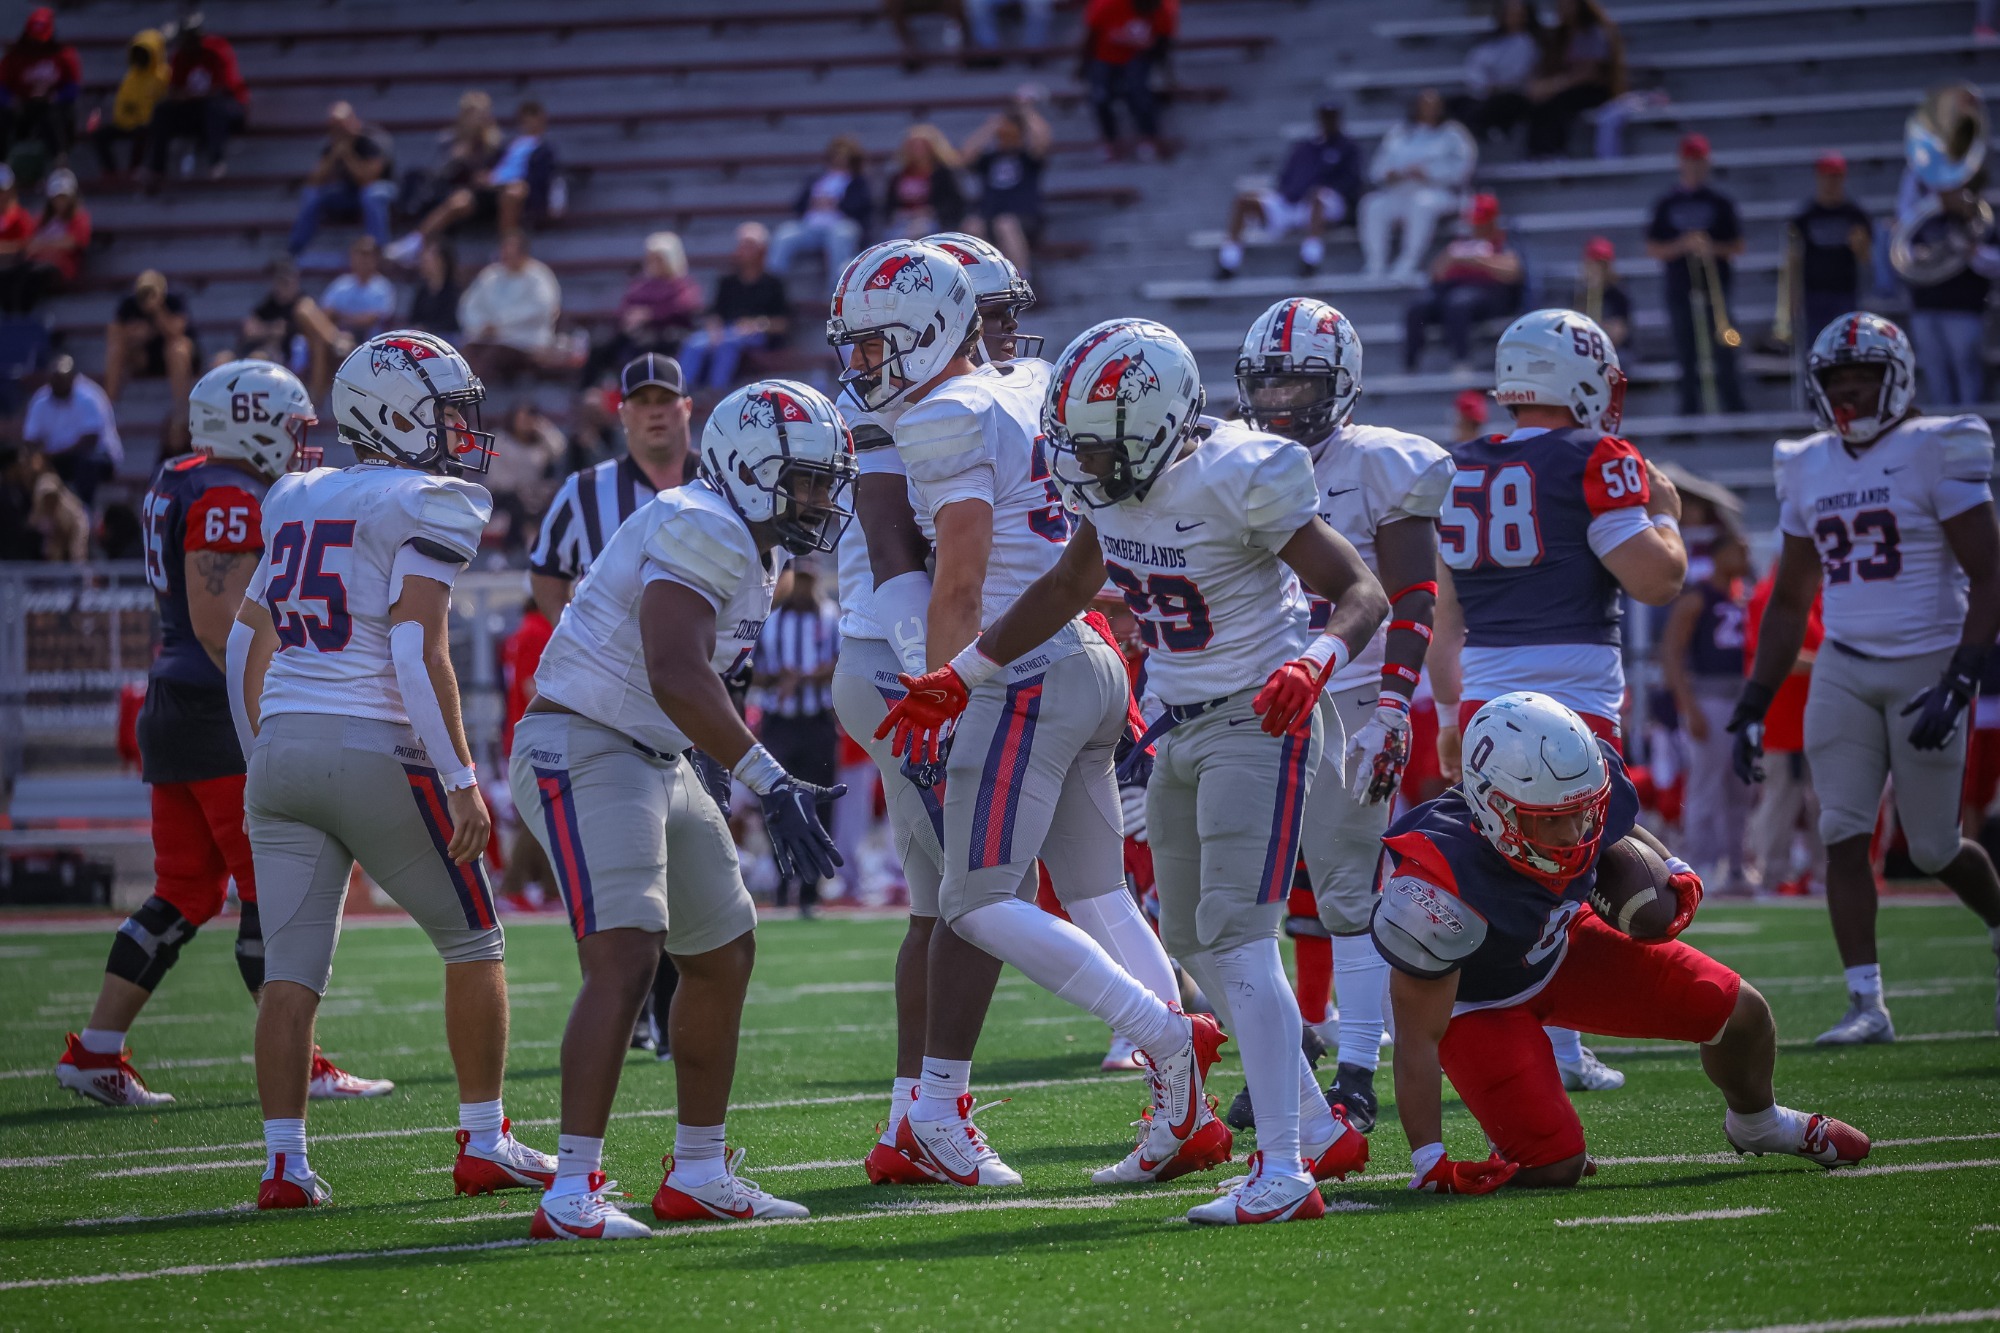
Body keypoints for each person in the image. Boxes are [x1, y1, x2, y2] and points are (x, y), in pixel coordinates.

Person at [881, 316, 1383, 1221]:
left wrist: (1316, 660)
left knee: (1237, 937)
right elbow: (1067, 588)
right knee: (1189, 939)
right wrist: (959, 677)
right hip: (1183, 726)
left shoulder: (1240, 470)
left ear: (1160, 422)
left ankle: (1283, 1168)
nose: (1085, 465)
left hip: (1258, 718)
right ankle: (1315, 1125)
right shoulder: (1113, 481)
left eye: (1101, 446)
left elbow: (1361, 591)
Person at [829, 241, 1224, 1195]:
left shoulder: (944, 414)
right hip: (1081, 649)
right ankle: (1188, 1111)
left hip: (1014, 672)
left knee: (971, 902)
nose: (865, 366)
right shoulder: (1035, 382)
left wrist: (945, 686)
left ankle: (1168, 1041)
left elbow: (955, 580)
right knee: (1098, 891)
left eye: (879, 344)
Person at [510, 378, 854, 1239]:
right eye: (805, 478)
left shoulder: (744, 535)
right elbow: (673, 666)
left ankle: (699, 1169)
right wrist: (769, 776)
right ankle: (572, 1191)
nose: (818, 497)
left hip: (648, 752)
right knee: (627, 955)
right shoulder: (700, 520)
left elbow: (689, 676)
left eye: (823, 480)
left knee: (723, 946)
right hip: (582, 742)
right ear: (749, 465)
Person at [228, 330, 557, 1209]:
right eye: (446, 411)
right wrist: (457, 774)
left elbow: (241, 641)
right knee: (475, 939)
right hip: (373, 738)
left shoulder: (294, 493)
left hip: (284, 747)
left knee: (292, 971)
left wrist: (261, 750)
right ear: (396, 412)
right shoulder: (426, 498)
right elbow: (415, 646)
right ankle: (487, 1140)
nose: (459, 430)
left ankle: (284, 1165)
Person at [54, 361, 389, 1110]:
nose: (301, 442)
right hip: (213, 708)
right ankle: (301, 1062)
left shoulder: (183, 475)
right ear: (250, 420)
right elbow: (220, 625)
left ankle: (97, 1049)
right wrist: (267, 714)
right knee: (273, 887)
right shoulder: (228, 495)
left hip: (174, 703)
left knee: (184, 891)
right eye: (291, 425)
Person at [1379, 692, 1869, 1195]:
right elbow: (1418, 1038)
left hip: (1560, 946)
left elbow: (1616, 821)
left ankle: (1760, 1123)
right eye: (1550, 819)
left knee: (1738, 1013)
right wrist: (1429, 1160)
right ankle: (1515, 1128)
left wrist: (1670, 864)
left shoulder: (1582, 786)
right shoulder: (1437, 883)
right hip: (1474, 1002)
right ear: (1495, 807)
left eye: (1579, 812)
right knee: (1555, 1165)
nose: (1573, 833)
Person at [828, 234, 1059, 1182]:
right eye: (988, 313)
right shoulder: (895, 404)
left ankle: (908, 1122)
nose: (1000, 333)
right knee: (983, 897)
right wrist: (945, 681)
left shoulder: (975, 394)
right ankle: (936, 1116)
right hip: (900, 661)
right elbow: (901, 563)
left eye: (1003, 314)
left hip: (923, 660)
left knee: (938, 907)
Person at [1429, 308, 1690, 1094]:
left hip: (1481, 694)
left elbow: (1446, 620)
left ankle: (1521, 1034)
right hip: (1572, 694)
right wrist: (1668, 513)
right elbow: (1656, 577)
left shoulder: (1456, 465)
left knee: (1516, 870)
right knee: (1573, 867)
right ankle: (1566, 1043)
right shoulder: (1597, 455)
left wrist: (1448, 715)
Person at [1728, 312, 2000, 1045]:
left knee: (1935, 845)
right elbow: (1788, 598)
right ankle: (1866, 1002)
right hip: (1844, 663)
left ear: (1898, 378)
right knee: (1841, 830)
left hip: (1928, 658)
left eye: (1863, 377)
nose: (1848, 392)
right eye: (1837, 380)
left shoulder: (1936, 446)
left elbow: (1989, 570)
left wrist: (1963, 673)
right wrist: (1755, 698)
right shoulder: (1808, 461)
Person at [1232, 298, 1453, 1136]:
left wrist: (1395, 705)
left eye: (1300, 380)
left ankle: (1357, 1067)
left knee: (1349, 894)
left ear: (1343, 383)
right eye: (1270, 381)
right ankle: (1282, 1061)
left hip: (1355, 694)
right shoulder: (1236, 456)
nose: (1283, 398)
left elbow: (1412, 596)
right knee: (1250, 901)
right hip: (1257, 699)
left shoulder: (1382, 462)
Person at [529, 352, 697, 1056]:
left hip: (697, 700)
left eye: (667, 398)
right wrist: (586, 644)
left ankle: (666, 1010)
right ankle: (636, 1005)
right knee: (625, 866)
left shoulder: (720, 480)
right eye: (642, 399)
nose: (655, 409)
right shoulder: (587, 490)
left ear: (688, 408)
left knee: (691, 866)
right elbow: (546, 574)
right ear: (622, 412)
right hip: (607, 708)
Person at [1661, 526, 1752, 892]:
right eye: (1739, 550)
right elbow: (1671, 653)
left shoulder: (1744, 597)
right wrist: (1689, 706)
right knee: (1706, 786)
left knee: (1740, 789)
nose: (1745, 559)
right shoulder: (1697, 598)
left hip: (1741, 699)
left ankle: (1736, 869)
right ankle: (1699, 866)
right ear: (1719, 554)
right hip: (1710, 698)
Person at [753, 559, 843, 916]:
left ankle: (810, 888)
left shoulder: (830, 616)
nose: (803, 589)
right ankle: (780, 881)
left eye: (809, 581)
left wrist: (804, 678)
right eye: (798, 581)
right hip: (779, 723)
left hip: (817, 722)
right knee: (775, 801)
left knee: (819, 804)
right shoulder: (770, 622)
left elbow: (843, 664)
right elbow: (750, 674)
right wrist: (779, 677)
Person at [1647, 134, 1746, 416]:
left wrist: (1711, 248)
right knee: (1685, 350)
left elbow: (1738, 246)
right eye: (1690, 160)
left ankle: (1734, 406)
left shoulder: (1720, 202)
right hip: (1680, 286)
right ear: (1681, 162)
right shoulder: (1666, 203)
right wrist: (1683, 245)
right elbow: (1653, 247)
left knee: (1726, 345)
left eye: (1699, 160)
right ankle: (1688, 409)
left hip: (1716, 286)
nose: (1694, 166)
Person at [1743, 556, 1825, 895]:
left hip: (1819, 718)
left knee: (1824, 802)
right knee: (1780, 800)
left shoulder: (1819, 597)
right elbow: (1773, 655)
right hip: (1781, 720)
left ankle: (1824, 876)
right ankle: (1770, 875)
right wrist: (1835, 663)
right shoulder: (1766, 596)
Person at [1216, 98, 1365, 280]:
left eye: (1332, 116)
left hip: (1329, 203)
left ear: (1339, 118)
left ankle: (1310, 260)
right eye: (1325, 116)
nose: (1328, 120)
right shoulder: (1304, 147)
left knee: (1318, 196)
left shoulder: (1348, 147)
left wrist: (1324, 192)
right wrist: (1289, 196)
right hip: (1294, 203)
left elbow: (1352, 182)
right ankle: (1228, 262)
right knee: (1244, 201)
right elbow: (1285, 178)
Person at [387, 101, 556, 261]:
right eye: (525, 117)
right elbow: (490, 167)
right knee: (460, 200)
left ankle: (505, 249)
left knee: (514, 191)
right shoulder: (511, 144)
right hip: (491, 188)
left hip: (515, 191)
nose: (528, 122)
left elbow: (538, 180)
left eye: (533, 117)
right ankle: (416, 241)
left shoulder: (544, 149)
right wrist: (484, 175)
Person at [1358, 89, 1477, 284]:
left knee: (1422, 204)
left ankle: (1407, 263)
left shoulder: (1453, 134)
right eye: (1424, 105)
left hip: (1438, 192)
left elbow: (1464, 168)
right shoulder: (1399, 133)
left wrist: (1429, 172)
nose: (1428, 110)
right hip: (1398, 191)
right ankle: (1376, 263)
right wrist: (1389, 174)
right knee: (1372, 205)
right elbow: (1377, 169)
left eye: (1432, 106)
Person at [1402, 193, 1524, 375]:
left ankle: (1461, 362)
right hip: (1451, 289)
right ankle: (1411, 365)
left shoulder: (1503, 241)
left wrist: (1482, 262)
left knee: (1458, 304)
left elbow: (1513, 273)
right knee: (1417, 306)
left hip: (1489, 293)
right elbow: (1436, 275)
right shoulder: (1461, 241)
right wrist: (1450, 258)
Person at [678, 222, 789, 392]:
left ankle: (717, 394)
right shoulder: (727, 282)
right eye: (742, 245)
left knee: (727, 346)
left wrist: (758, 324)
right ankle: (682, 392)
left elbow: (783, 322)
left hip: (756, 335)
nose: (743, 251)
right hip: (726, 331)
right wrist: (714, 328)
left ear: (762, 250)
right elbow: (715, 313)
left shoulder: (774, 283)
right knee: (694, 342)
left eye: (749, 246)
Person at [287, 101, 396, 256]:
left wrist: (347, 155)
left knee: (370, 195)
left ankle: (379, 248)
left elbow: (368, 180)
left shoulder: (371, 138)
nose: (337, 130)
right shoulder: (333, 142)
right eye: (333, 126)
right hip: (350, 193)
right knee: (311, 194)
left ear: (351, 120)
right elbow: (315, 180)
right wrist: (333, 156)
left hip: (383, 188)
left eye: (340, 125)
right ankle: (294, 250)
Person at [146, 16, 248, 182]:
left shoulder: (216, 52)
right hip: (196, 109)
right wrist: (186, 96)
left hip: (226, 108)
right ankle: (157, 168)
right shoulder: (180, 57)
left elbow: (220, 90)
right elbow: (174, 90)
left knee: (213, 108)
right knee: (162, 110)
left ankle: (216, 162)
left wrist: (189, 96)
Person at [962, 96, 1052, 281]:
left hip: (1024, 217)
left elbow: (1042, 140)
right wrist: (990, 127)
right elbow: (966, 155)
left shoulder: (1027, 158)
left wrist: (1026, 112)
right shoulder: (990, 159)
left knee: (1006, 224)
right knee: (971, 226)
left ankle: (1021, 278)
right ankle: (980, 280)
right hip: (990, 214)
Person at [1789, 154, 1873, 351]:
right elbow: (1793, 259)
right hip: (1814, 294)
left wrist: (1860, 244)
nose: (1831, 182)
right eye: (1827, 176)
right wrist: (1792, 297)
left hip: (1845, 292)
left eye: (1836, 176)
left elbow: (1866, 258)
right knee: (1815, 348)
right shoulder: (1805, 215)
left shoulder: (1855, 214)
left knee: (1846, 348)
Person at [457, 232, 562, 384]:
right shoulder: (491, 276)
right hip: (486, 336)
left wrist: (500, 324)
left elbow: (542, 309)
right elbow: (469, 306)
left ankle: (471, 398)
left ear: (523, 254)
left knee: (491, 356)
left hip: (523, 341)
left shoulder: (539, 277)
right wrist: (481, 325)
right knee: (465, 354)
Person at [1525, 0, 1625, 160]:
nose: (1563, 9)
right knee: (1539, 104)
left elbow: (1589, 73)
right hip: (1566, 88)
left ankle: (1554, 152)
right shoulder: (1560, 37)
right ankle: (1536, 153)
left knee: (1557, 103)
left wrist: (1555, 86)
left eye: (1568, 4)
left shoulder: (1595, 32)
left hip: (1594, 90)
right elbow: (1550, 67)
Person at [1079, 0, 1177, 160]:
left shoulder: (1162, 8)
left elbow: (1163, 43)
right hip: (1104, 56)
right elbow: (1091, 34)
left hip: (1137, 56)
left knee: (1137, 91)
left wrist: (1168, 76)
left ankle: (1149, 138)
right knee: (1100, 97)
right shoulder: (1107, 4)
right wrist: (1083, 65)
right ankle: (1110, 141)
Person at [768, 136, 872, 281]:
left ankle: (836, 292)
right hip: (811, 227)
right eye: (837, 154)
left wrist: (835, 204)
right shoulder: (817, 178)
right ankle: (771, 285)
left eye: (844, 155)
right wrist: (813, 202)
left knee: (840, 236)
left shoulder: (857, 181)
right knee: (784, 234)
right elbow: (798, 205)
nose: (839, 158)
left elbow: (861, 207)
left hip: (840, 225)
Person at [22, 354, 118, 507]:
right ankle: (31, 518)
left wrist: (52, 455)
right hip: (56, 458)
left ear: (73, 377)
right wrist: (37, 456)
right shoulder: (40, 400)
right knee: (26, 466)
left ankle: (85, 509)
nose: (58, 382)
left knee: (86, 462)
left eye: (62, 377)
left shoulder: (89, 397)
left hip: (98, 456)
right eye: (55, 377)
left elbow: (89, 441)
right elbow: (30, 439)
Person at [239, 258, 343, 397]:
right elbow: (249, 329)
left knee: (316, 341)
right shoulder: (270, 304)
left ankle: (334, 341)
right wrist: (272, 330)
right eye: (278, 281)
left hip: (306, 352)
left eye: (286, 281)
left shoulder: (302, 302)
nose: (282, 286)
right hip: (278, 353)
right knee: (255, 358)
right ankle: (337, 341)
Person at [1448, 1, 1542, 145]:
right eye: (1510, 14)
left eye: (1518, 15)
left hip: (1516, 94)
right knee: (1456, 104)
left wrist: (1499, 85)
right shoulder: (1492, 42)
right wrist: (1486, 84)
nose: (1513, 18)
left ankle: (1492, 131)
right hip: (1487, 91)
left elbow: (1519, 73)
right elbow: (1475, 67)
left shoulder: (1531, 43)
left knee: (1504, 102)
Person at [0, 165, 88, 314]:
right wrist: (45, 245)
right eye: (57, 197)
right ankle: (10, 318)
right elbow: (29, 242)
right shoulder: (42, 219)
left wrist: (42, 244)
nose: (60, 202)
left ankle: (23, 316)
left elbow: (72, 242)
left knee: (33, 275)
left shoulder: (79, 218)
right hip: (35, 262)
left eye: (64, 197)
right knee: (9, 275)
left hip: (60, 267)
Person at [0, 8, 79, 171]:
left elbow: (73, 87)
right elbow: (1, 87)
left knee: (54, 114)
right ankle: (2, 163)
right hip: (20, 109)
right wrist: (11, 100)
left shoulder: (63, 55)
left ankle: (60, 162)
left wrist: (54, 97)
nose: (37, 43)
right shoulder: (14, 56)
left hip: (51, 107)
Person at [103, 269, 196, 404]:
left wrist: (157, 311)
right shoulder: (129, 304)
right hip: (143, 358)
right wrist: (133, 335)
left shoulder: (173, 301)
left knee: (177, 349)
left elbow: (176, 332)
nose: (147, 297)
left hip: (171, 360)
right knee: (116, 349)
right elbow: (113, 334)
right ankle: (108, 406)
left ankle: (181, 410)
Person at [91, 28, 168, 180]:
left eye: (144, 53)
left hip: (147, 123)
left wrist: (139, 114)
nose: (140, 57)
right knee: (100, 135)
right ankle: (111, 172)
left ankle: (135, 169)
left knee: (144, 132)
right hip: (126, 122)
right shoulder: (131, 76)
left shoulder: (162, 76)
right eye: (137, 53)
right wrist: (127, 115)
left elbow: (159, 104)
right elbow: (122, 103)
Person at [884, 124, 965, 239]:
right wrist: (899, 213)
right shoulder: (898, 175)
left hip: (934, 221)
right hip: (903, 220)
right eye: (913, 146)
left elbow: (955, 203)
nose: (918, 150)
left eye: (922, 146)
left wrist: (931, 211)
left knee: (917, 231)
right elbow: (889, 206)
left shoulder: (944, 174)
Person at [319, 235, 398, 341]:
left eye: (367, 255)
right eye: (358, 254)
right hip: (338, 337)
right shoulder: (340, 284)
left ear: (376, 258)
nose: (362, 260)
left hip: (372, 342)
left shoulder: (384, 287)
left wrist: (341, 318)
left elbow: (372, 319)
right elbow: (326, 311)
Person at [1574, 235, 1631, 349]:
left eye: (1601, 265)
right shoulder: (1579, 294)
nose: (1597, 269)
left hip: (1613, 353)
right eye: (1593, 264)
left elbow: (1617, 334)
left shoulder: (1618, 296)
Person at [404, 240, 462, 338]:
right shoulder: (422, 291)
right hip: (422, 338)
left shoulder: (453, 292)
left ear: (441, 262)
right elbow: (413, 318)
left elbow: (451, 322)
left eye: (427, 261)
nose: (422, 265)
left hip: (445, 340)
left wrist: (428, 329)